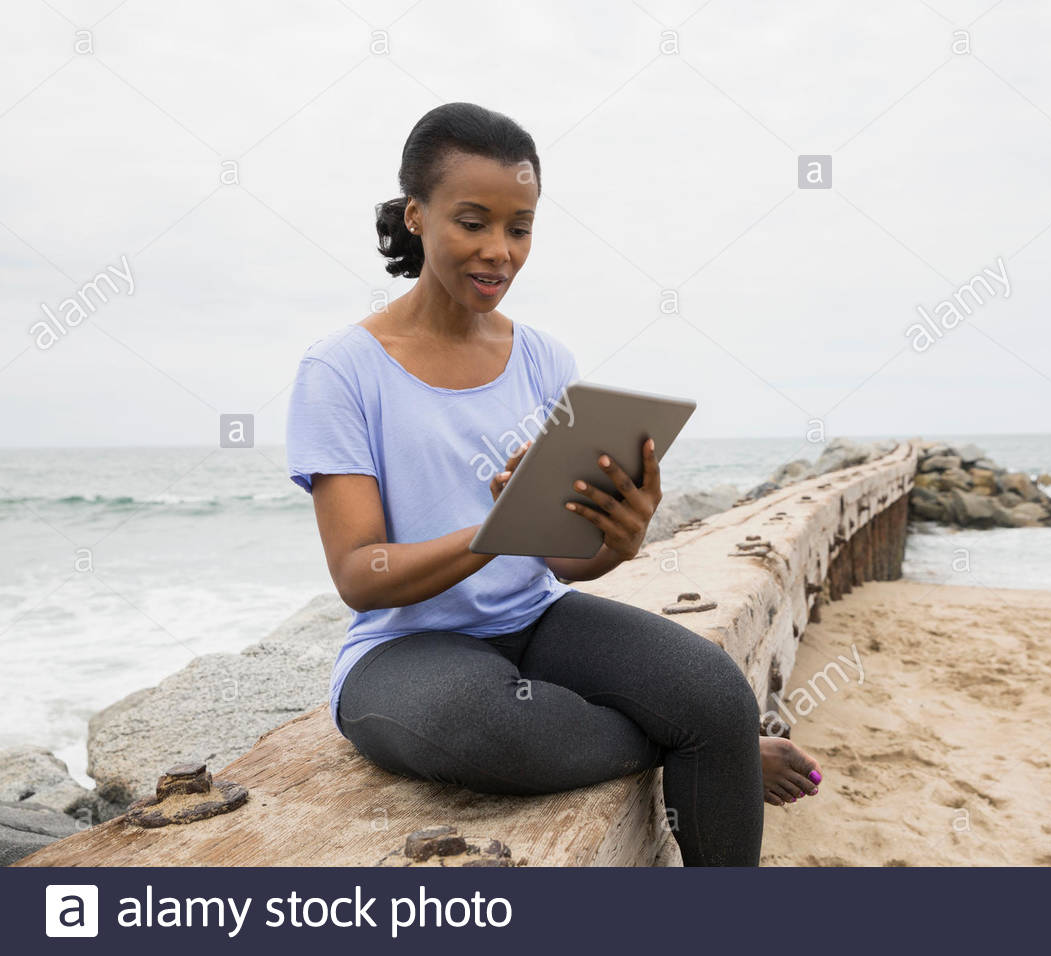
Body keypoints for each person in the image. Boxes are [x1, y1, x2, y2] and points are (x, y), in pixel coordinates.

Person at [285, 102, 821, 867]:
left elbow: (564, 563)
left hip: (535, 619)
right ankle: (711, 753)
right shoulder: (342, 370)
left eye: (520, 227)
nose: (499, 251)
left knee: (716, 695)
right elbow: (359, 576)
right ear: (415, 215)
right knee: (499, 730)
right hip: (404, 650)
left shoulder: (543, 361)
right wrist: (490, 532)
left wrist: (619, 537)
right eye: (473, 222)